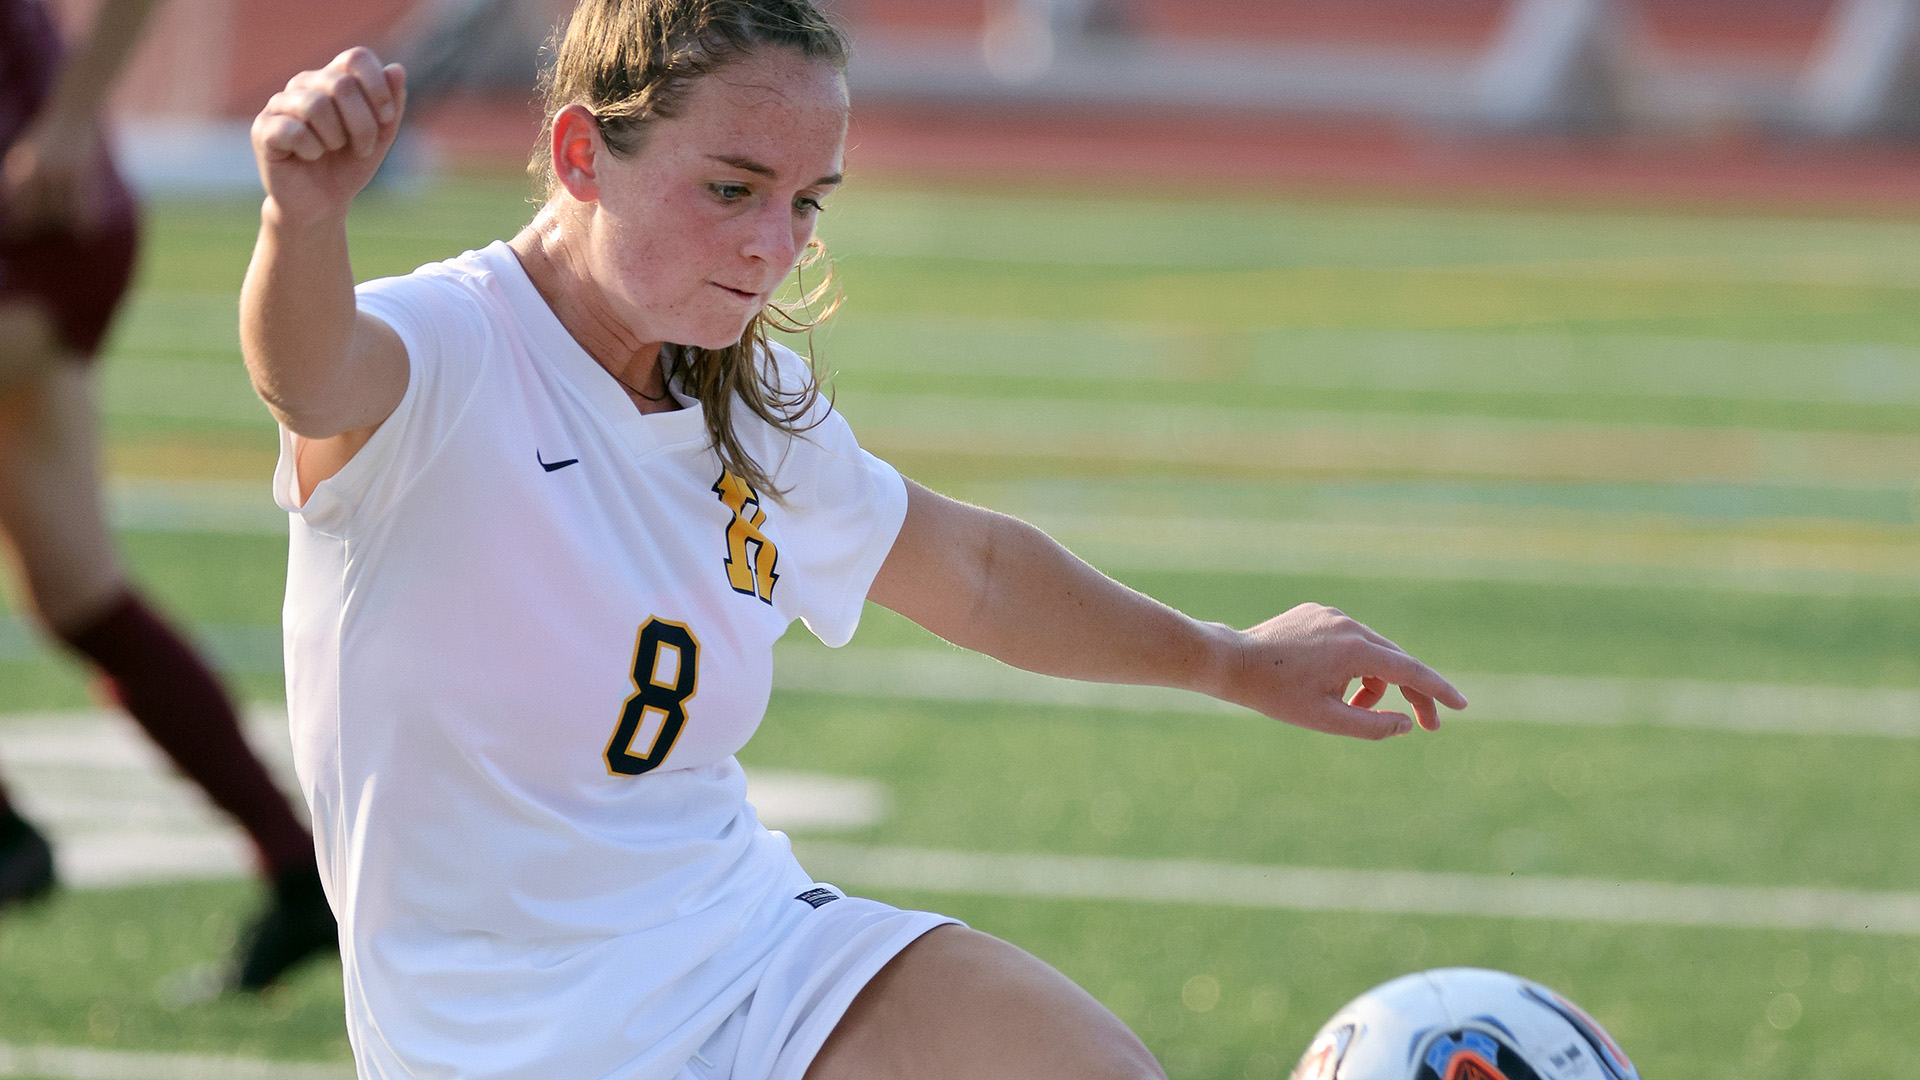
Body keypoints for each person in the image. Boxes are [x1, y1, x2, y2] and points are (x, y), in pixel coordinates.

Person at [241, 1, 1467, 1076]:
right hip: (501, 1035)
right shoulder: (450, 346)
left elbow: (975, 572)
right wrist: (303, 219)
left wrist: (1229, 660)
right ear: (581, 155)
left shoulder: (744, 396)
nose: (774, 246)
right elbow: (308, 374)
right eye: (732, 189)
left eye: (807, 202)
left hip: (741, 945)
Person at [0, 0, 335, 992]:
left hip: (35, 211)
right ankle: (297, 870)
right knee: (78, 591)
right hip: (47, 211)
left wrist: (68, 119)